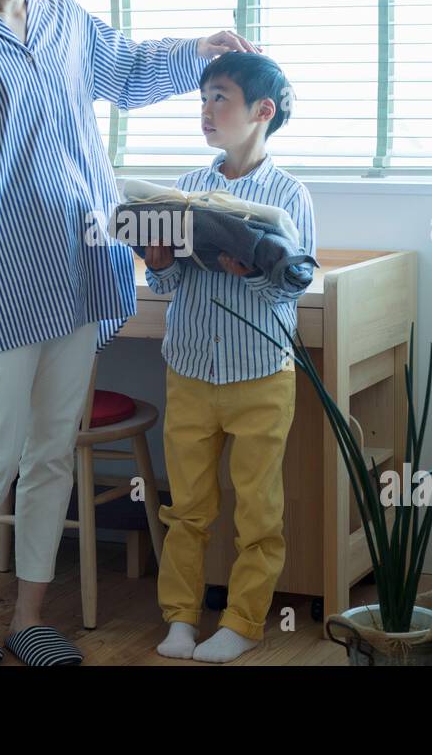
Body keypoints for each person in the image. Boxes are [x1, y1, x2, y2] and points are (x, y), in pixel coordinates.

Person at [0, 0, 259, 666]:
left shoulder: (65, 22)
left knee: (53, 449)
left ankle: (29, 615)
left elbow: (128, 70)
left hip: (79, 262)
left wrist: (198, 50)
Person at [140, 52, 316, 663]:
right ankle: (181, 618)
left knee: (258, 510)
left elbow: (296, 282)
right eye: (203, 98)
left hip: (260, 375)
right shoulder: (185, 189)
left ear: (262, 111)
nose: (207, 111)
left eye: (221, 98)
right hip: (189, 368)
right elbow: (166, 286)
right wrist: (158, 263)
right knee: (185, 507)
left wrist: (254, 273)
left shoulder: (289, 195)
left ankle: (243, 621)